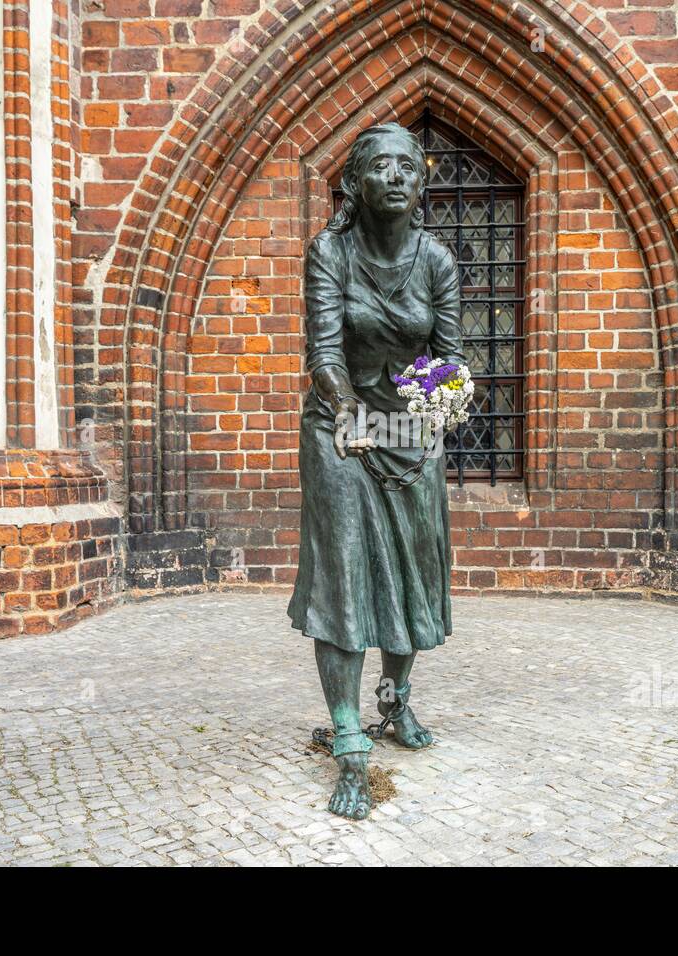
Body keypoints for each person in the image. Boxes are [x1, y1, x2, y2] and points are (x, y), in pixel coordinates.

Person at [287, 122, 463, 819]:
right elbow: (323, 350)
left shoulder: (437, 260)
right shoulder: (329, 251)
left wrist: (438, 411)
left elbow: (449, 358)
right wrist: (350, 412)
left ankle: (395, 702)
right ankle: (350, 738)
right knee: (345, 573)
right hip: (341, 425)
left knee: (413, 571)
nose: (394, 177)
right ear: (355, 183)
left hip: (410, 429)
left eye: (407, 168)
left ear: (421, 186)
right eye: (379, 167)